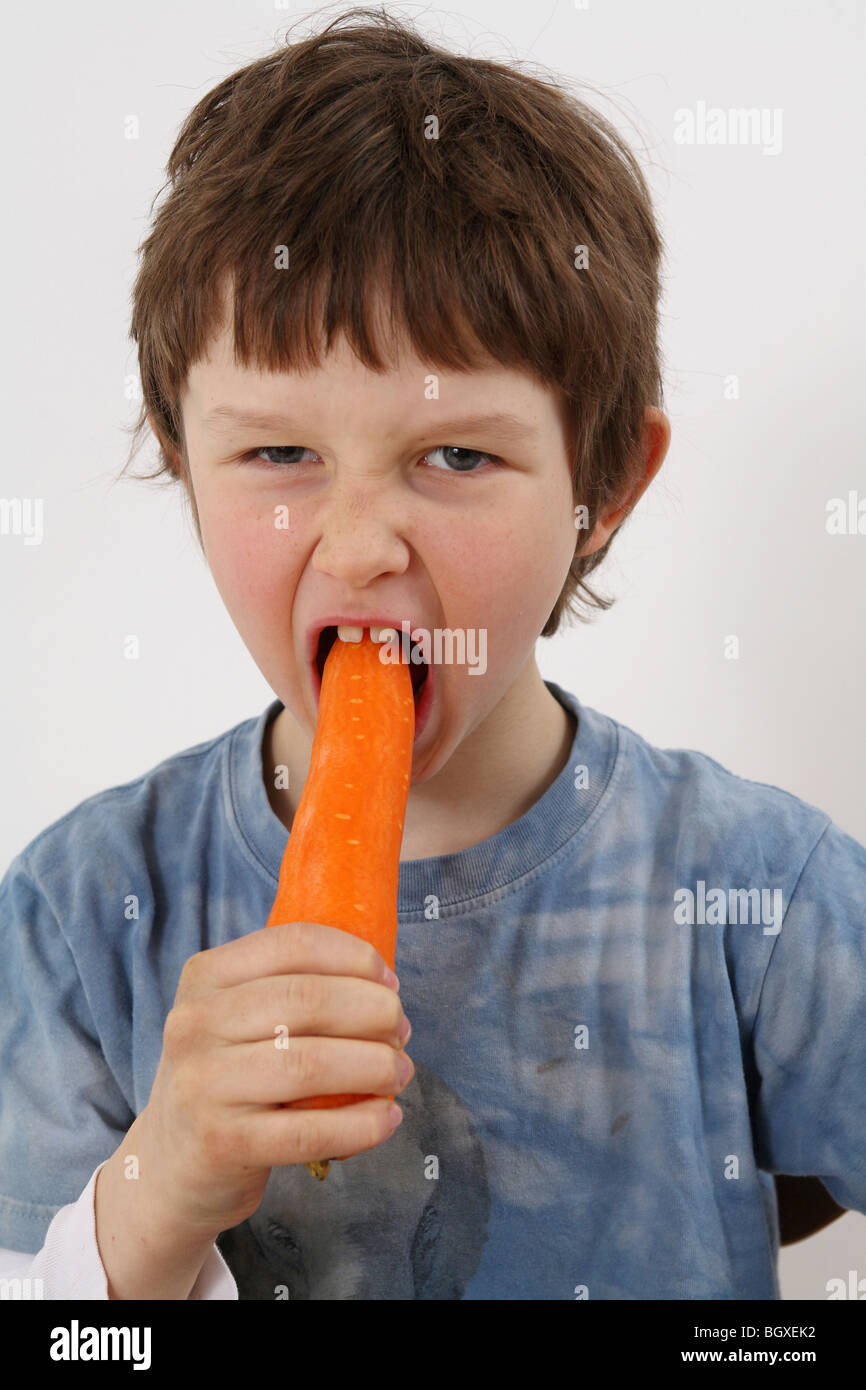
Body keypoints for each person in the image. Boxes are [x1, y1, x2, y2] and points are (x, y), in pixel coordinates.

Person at [0, 8, 863, 1300]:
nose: (355, 546)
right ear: (183, 463)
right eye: (278, 453)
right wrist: (154, 1188)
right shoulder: (83, 921)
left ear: (604, 484)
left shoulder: (762, 903)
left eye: (455, 455)